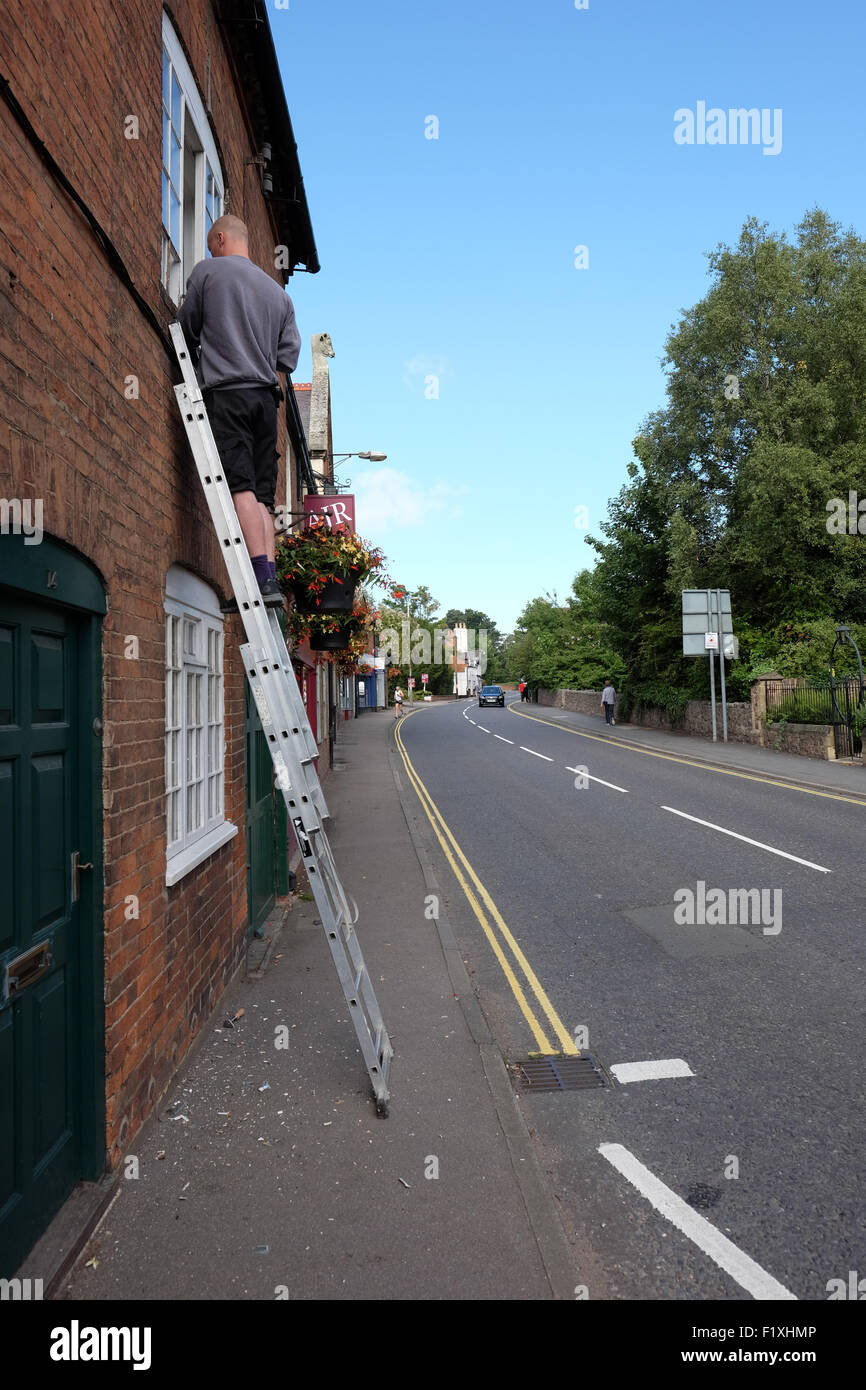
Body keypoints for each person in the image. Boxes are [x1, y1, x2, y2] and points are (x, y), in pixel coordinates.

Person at [177, 214, 301, 611]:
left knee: (240, 488)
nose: (210, 249)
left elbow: (186, 328)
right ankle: (268, 582)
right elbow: (288, 358)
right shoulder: (278, 294)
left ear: (218, 238)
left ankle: (260, 581)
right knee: (262, 499)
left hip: (229, 394)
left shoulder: (208, 273)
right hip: (267, 402)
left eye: (211, 243)